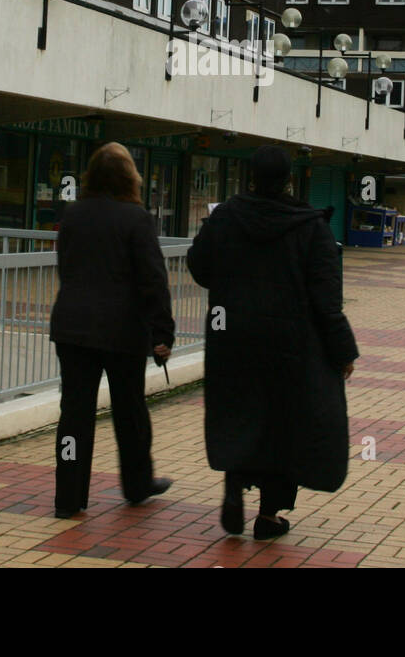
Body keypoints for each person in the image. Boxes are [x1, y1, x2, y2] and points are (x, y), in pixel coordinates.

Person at [186, 146, 359, 541]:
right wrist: (343, 350)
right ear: (289, 181)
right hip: (291, 347)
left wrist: (232, 281)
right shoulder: (310, 225)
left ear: (250, 177)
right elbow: (326, 298)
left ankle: (234, 484)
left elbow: (199, 265)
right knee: (285, 427)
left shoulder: (226, 217)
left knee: (240, 413)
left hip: (234, 339)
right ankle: (268, 516)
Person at [49, 142, 175, 519]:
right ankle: (137, 485)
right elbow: (154, 280)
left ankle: (68, 497)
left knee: (74, 414)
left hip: (73, 329)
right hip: (122, 333)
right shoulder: (135, 219)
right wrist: (162, 333)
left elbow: (66, 267)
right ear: (129, 178)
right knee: (129, 410)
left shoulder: (72, 215)